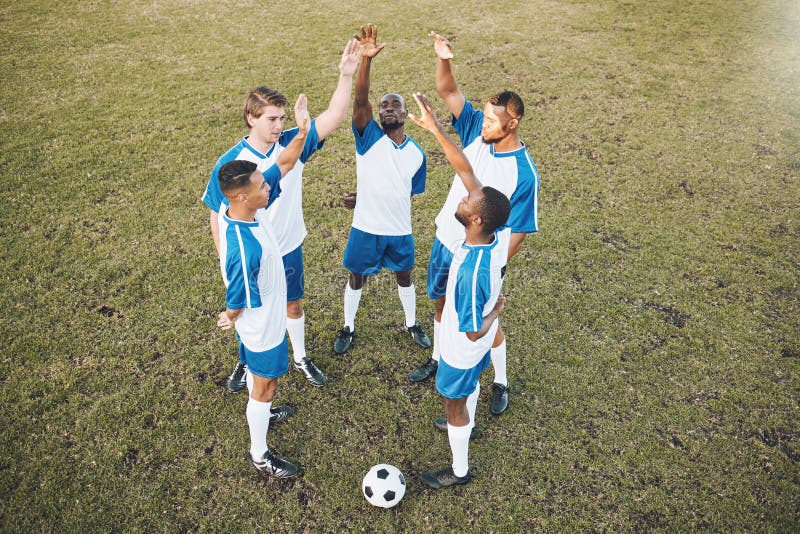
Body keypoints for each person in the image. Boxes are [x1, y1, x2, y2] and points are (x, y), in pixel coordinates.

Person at [203, 39, 362, 391]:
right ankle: (246, 363)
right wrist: (224, 259)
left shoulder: (293, 143)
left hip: (288, 245)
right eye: (271, 119)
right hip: (253, 253)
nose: (278, 125)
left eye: (281, 118)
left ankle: (301, 357)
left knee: (293, 303)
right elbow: (217, 214)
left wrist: (345, 74)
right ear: (251, 118)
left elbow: (334, 116)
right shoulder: (231, 164)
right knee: (249, 311)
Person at [409, 31, 540, 418]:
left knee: (485, 321)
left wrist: (494, 264)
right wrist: (443, 57)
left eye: (492, 120)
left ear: (512, 123)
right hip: (447, 241)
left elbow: (518, 229)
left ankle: (499, 379)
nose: (483, 125)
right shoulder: (474, 132)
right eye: (483, 117)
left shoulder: (524, 173)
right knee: (441, 302)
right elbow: (447, 89)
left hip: (483, 258)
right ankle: (438, 355)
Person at [408, 93, 511, 488]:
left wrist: (495, 312)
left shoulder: (468, 269)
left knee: (453, 402)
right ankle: (464, 419)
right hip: (475, 349)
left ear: (476, 217)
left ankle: (459, 470)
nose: (463, 194)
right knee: (467, 391)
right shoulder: (491, 240)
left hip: (462, 348)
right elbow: (465, 168)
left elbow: (472, 330)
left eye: (467, 198)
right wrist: (436, 128)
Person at [215, 94, 312, 477]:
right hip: (262, 327)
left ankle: (266, 409)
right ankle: (260, 454)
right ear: (242, 196)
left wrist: (302, 131)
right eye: (261, 185)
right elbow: (237, 297)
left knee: (264, 383)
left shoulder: (246, 206)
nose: (268, 186)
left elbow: (284, 162)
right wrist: (230, 315)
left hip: (266, 317)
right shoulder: (244, 248)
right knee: (265, 384)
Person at [333, 24, 430, 354]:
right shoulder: (368, 136)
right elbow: (360, 99)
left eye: (395, 105)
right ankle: (348, 326)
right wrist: (366, 60)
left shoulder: (417, 154)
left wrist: (366, 194)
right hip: (366, 228)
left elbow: (406, 191)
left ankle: (411, 323)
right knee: (356, 276)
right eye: (384, 104)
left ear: (405, 113)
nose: (388, 107)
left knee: (405, 276)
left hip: (400, 230)